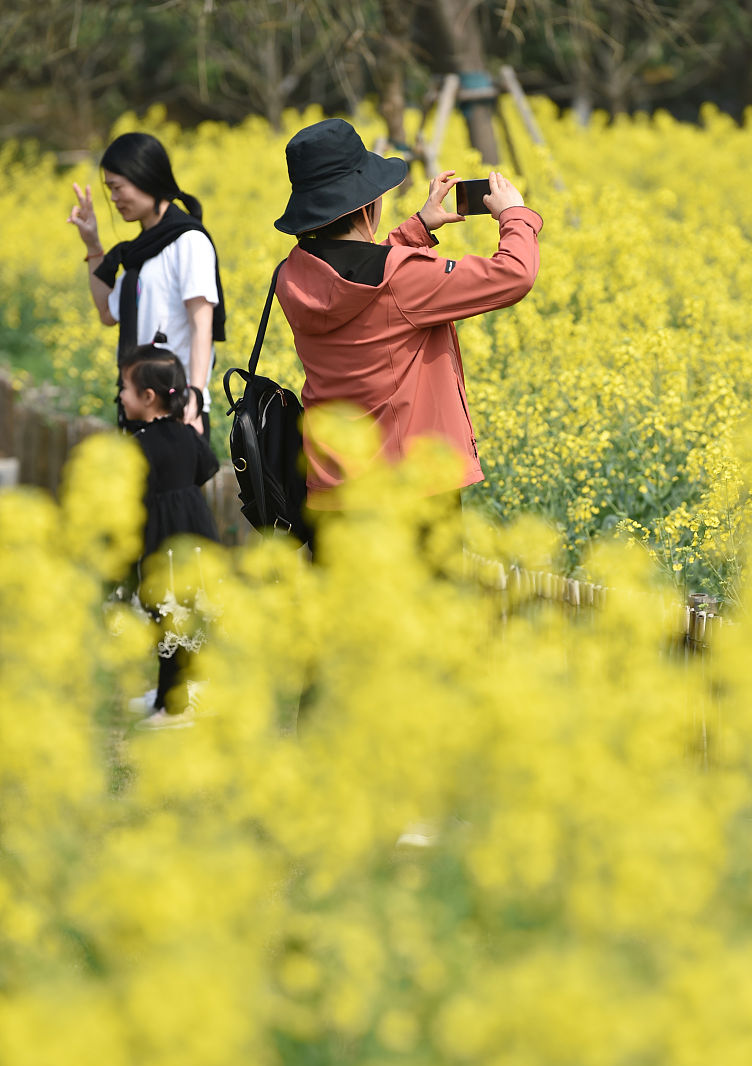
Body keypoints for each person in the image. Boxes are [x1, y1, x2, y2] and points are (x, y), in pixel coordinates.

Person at [273, 117, 543, 523]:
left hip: (334, 494)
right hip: (409, 493)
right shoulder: (403, 279)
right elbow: (514, 275)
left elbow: (360, 275)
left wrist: (415, 230)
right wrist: (516, 215)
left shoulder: (292, 275)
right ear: (367, 206)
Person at [68, 131, 226, 437]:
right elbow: (107, 312)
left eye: (117, 188)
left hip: (177, 411)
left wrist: (193, 396)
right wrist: (92, 245)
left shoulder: (188, 241)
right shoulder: (140, 252)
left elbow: (200, 324)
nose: (113, 200)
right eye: (109, 190)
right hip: (139, 410)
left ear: (145, 178)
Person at [118, 343, 221, 728]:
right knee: (187, 619)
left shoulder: (140, 445)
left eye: (124, 388)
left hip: (164, 545)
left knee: (167, 621)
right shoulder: (185, 436)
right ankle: (179, 693)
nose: (120, 396)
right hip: (197, 539)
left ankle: (172, 708)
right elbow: (208, 467)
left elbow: (136, 499)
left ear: (147, 397)